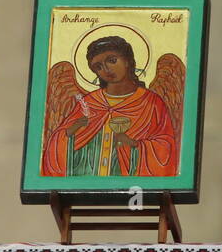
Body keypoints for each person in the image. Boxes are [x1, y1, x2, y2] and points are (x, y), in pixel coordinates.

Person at [41, 36, 178, 177]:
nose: (106, 69)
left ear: (127, 61)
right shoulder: (89, 102)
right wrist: (72, 130)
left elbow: (165, 148)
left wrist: (134, 144)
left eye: (112, 61)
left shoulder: (151, 103)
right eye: (98, 67)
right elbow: (55, 146)